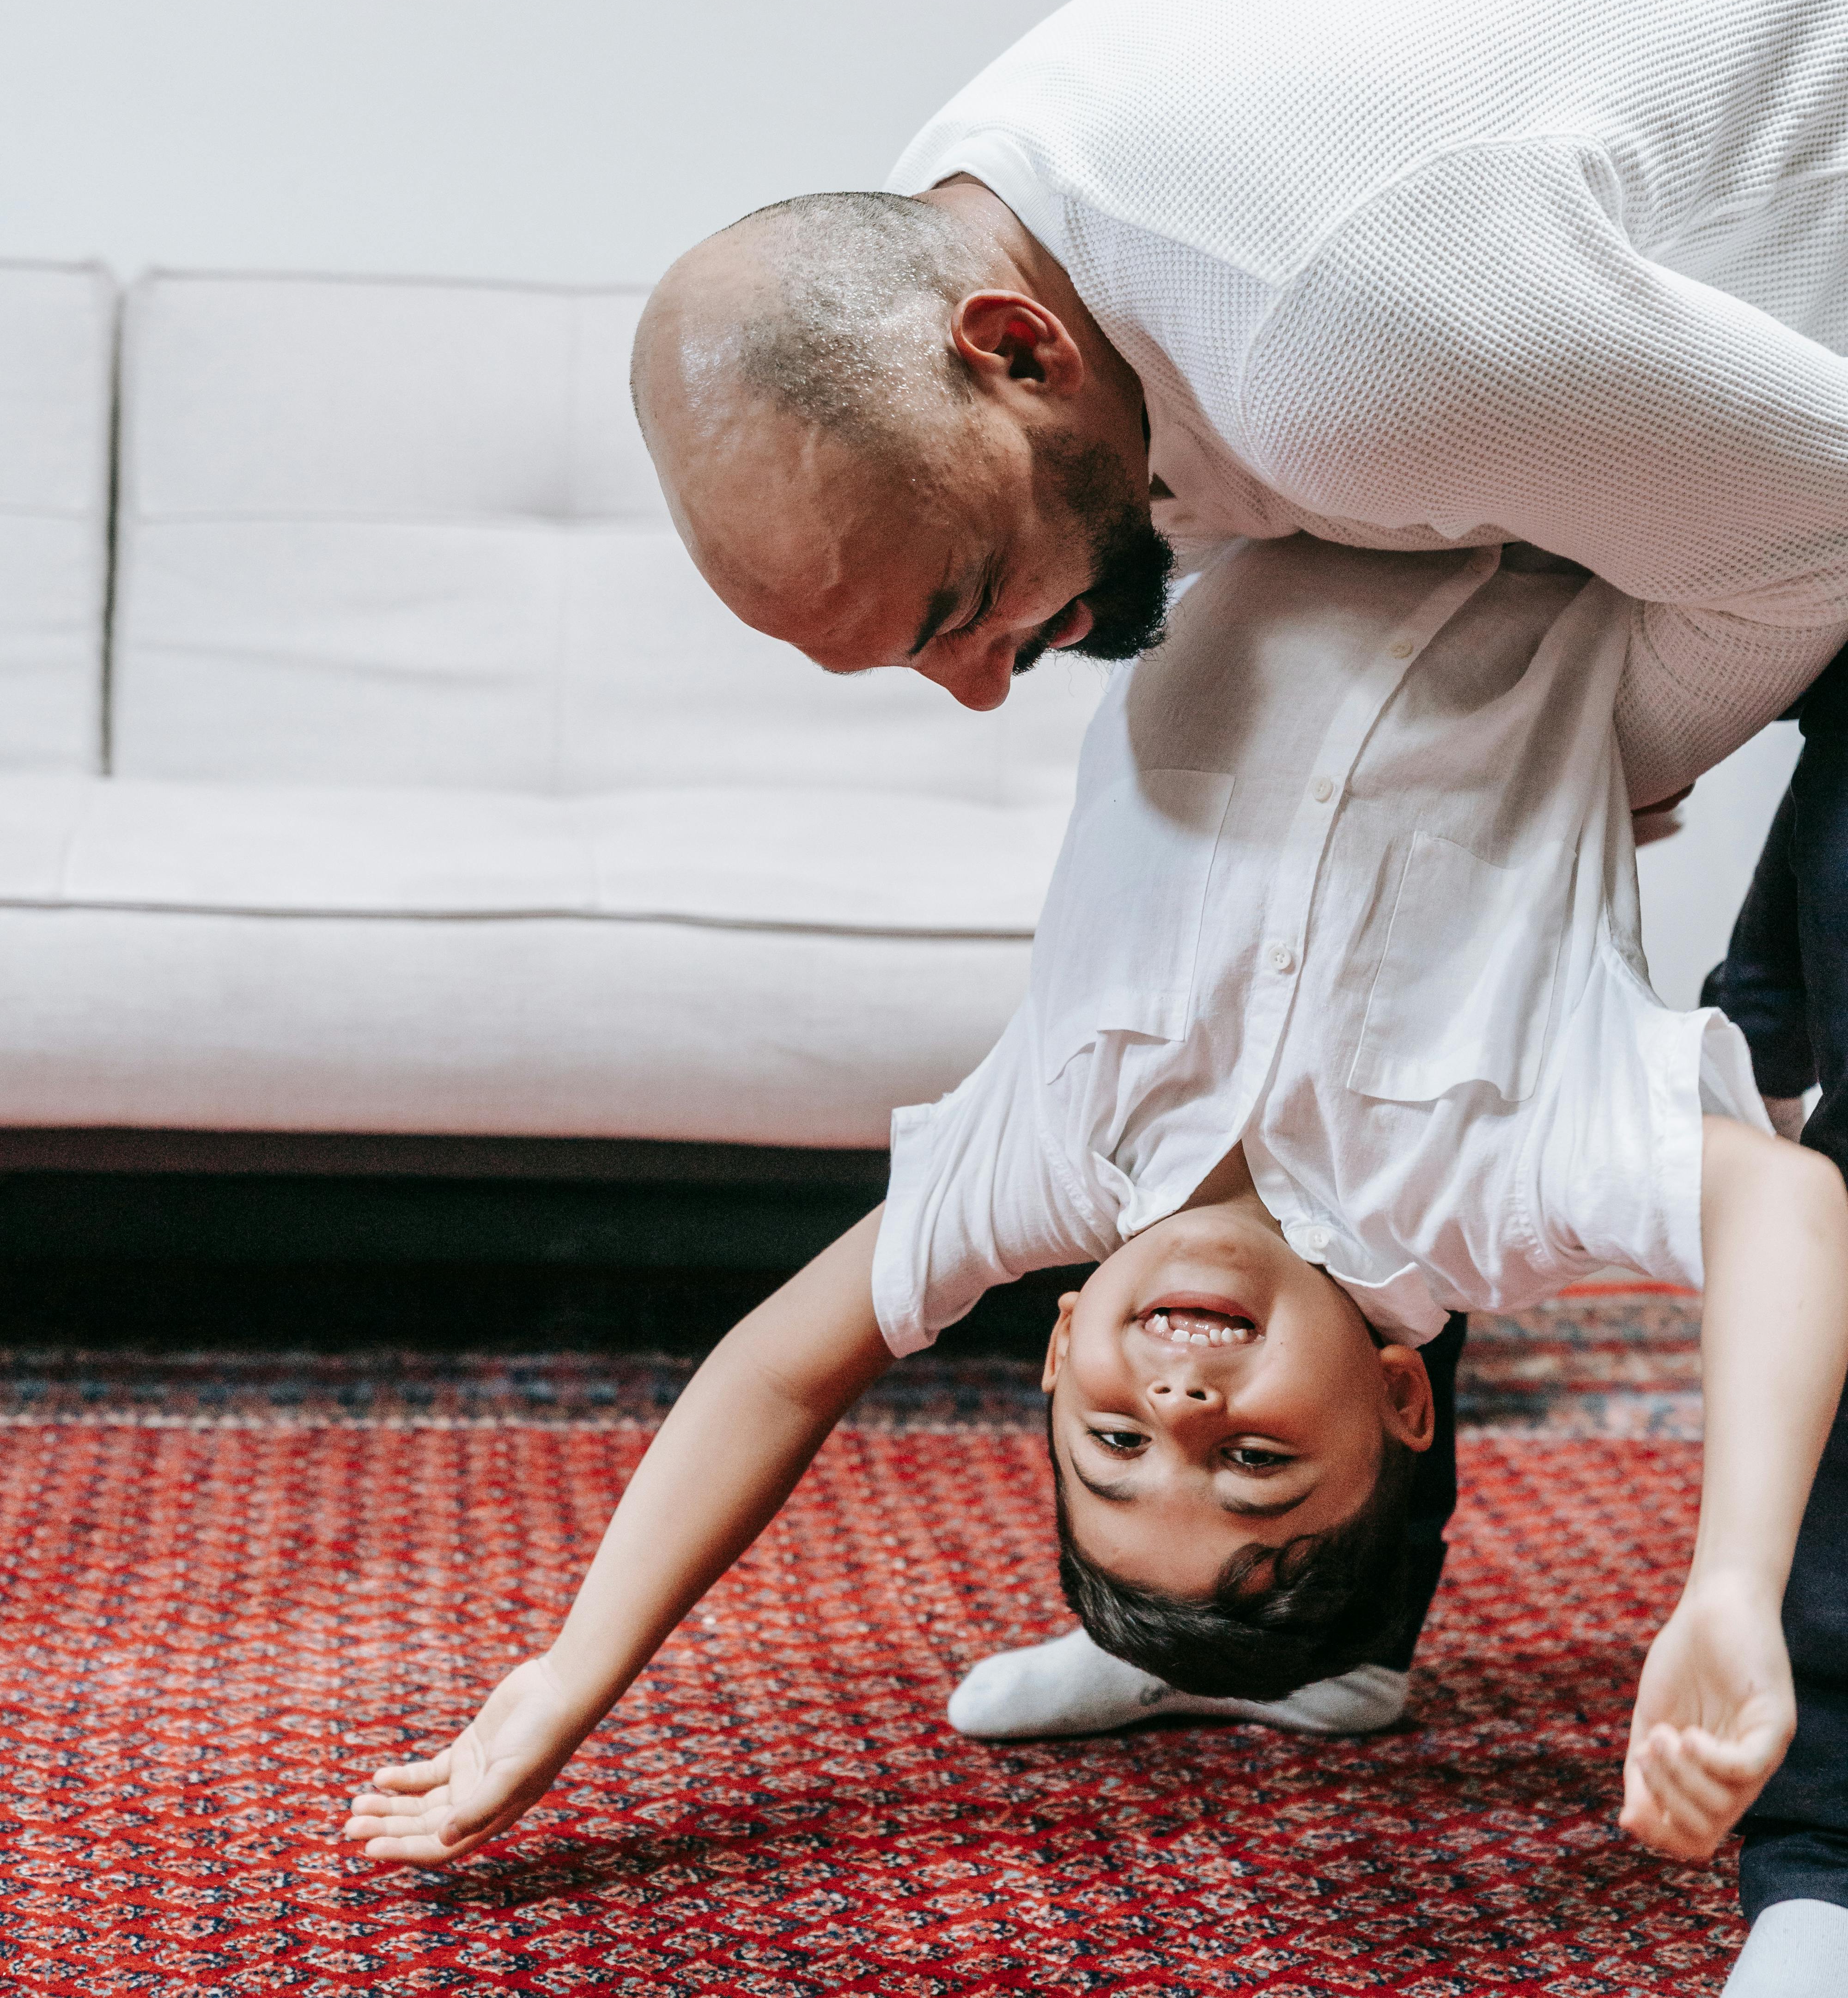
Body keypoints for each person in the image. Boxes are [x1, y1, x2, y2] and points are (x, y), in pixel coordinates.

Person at [627, 0, 1848, 1986]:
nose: (994, 687)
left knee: (1828, 1096)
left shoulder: (1343, 342)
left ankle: (1824, 1842)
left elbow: (1829, 529)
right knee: (1400, 1203)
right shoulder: (969, 235)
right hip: (1698, 371)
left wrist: (1570, 789)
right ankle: (1287, 1642)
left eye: (967, 605)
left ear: (1012, 350)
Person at [342, 535, 1848, 1912]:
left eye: (1119, 1447)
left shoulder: (1047, 1165)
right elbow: (1786, 1201)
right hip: (1553, 518)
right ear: (1402, 1396)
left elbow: (777, 1371)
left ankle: (1285, 1657)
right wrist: (1728, 1577)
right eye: (1253, 1460)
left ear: (1061, 1351)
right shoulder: (1486, 1196)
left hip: (1263, 501)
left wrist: (569, 1673)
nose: (1180, 1406)